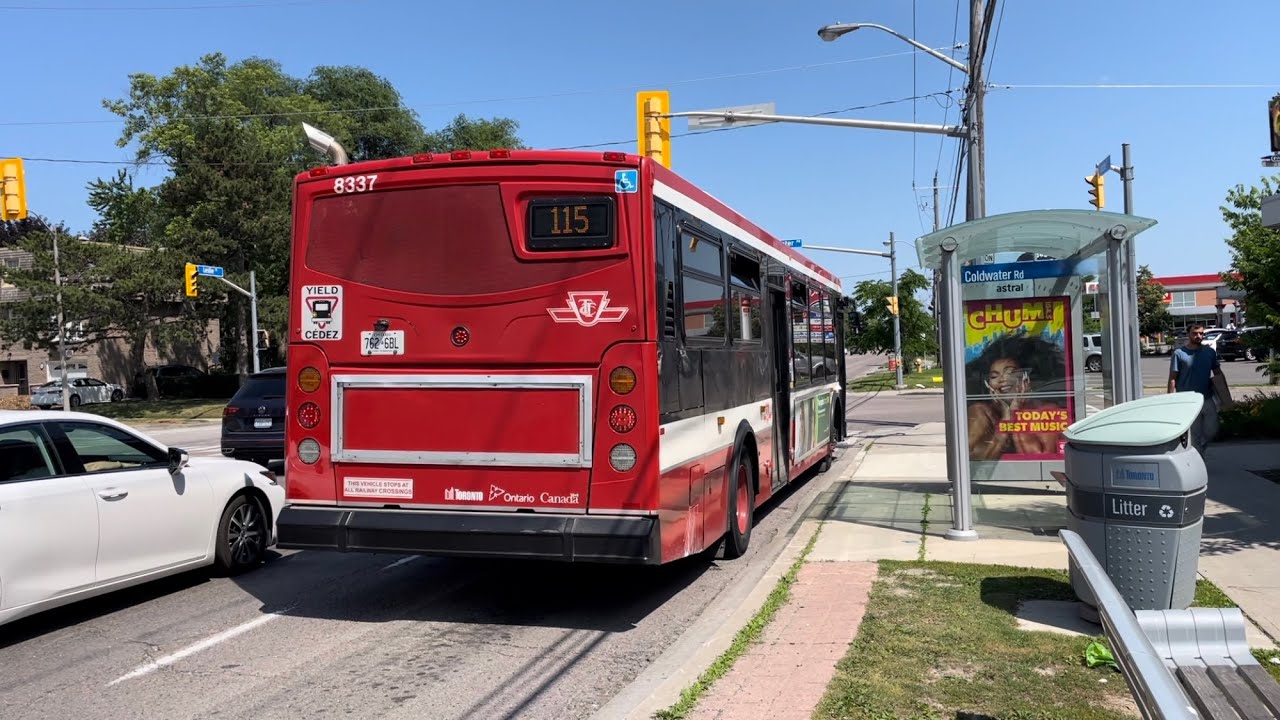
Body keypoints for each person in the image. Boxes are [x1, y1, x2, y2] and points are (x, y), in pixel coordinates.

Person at [1168, 323, 1226, 450]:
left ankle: (1202, 446)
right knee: (1194, 436)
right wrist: (1170, 400)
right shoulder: (1179, 354)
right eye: (1195, 333)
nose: (1198, 336)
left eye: (1201, 333)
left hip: (1207, 398)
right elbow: (1173, 378)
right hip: (1188, 401)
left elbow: (1218, 374)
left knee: (1212, 430)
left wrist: (1225, 396)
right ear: (1188, 334)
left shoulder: (1209, 352)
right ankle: (1198, 462)